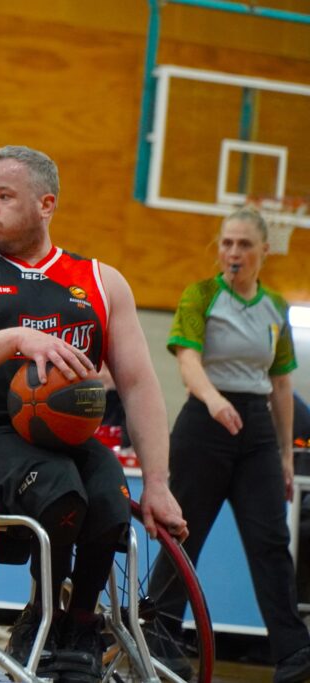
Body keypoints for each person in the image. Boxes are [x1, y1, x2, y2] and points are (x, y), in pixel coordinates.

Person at [0, 145, 187, 683]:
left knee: (109, 494)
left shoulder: (102, 282)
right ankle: (43, 613)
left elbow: (138, 383)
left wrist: (158, 482)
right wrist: (17, 338)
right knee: (62, 486)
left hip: (62, 433)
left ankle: (80, 624)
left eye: (4, 197)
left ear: (46, 204)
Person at [149, 206, 310, 683]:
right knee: (185, 535)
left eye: (243, 245)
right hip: (204, 424)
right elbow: (188, 361)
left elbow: (281, 385)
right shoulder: (200, 295)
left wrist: (284, 454)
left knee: (270, 540)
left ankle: (294, 653)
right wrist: (214, 400)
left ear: (264, 250)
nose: (233, 253)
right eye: (227, 243)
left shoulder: (276, 307)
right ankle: (158, 639)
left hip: (256, 428)